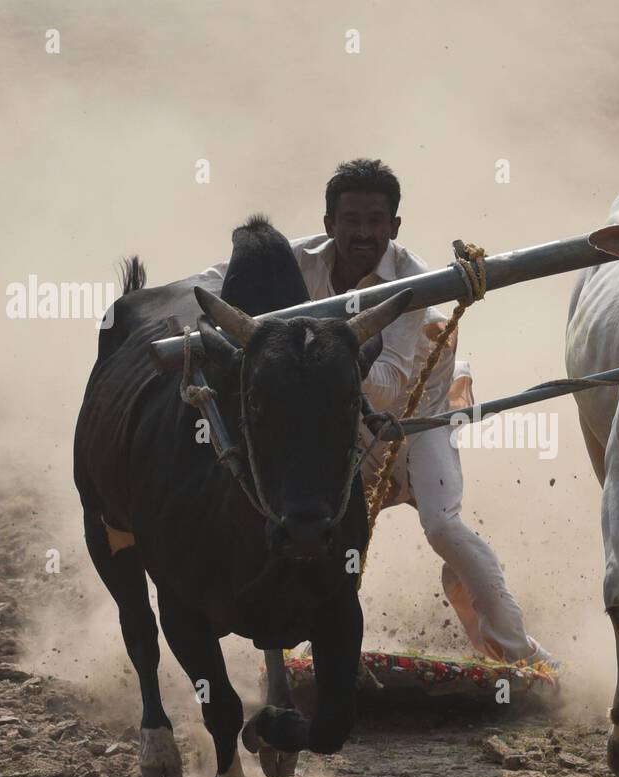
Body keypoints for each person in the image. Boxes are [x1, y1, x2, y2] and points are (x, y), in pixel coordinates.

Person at [204, 158, 553, 666]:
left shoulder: (414, 284)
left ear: (394, 227)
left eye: (375, 221)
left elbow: (389, 386)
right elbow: (217, 280)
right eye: (351, 221)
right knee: (300, 511)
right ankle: (305, 645)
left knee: (442, 528)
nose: (363, 233)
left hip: (416, 420)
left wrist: (306, 365)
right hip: (339, 417)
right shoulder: (300, 260)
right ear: (330, 225)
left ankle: (525, 656)